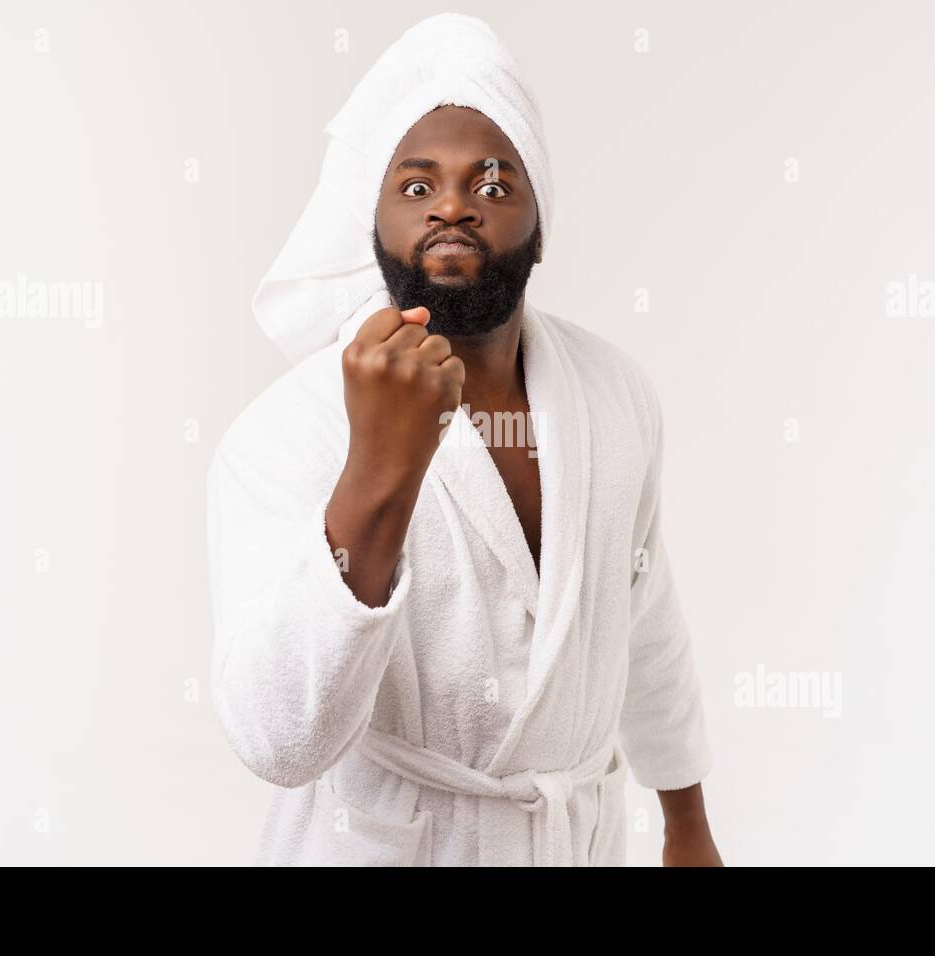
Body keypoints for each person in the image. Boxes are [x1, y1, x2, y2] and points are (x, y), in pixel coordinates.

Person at [207, 12, 723, 866]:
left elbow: (646, 614)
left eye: (492, 185)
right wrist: (379, 466)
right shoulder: (284, 432)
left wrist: (686, 821)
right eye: (417, 187)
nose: (453, 204)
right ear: (372, 225)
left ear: (542, 221)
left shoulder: (616, 392)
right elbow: (276, 739)